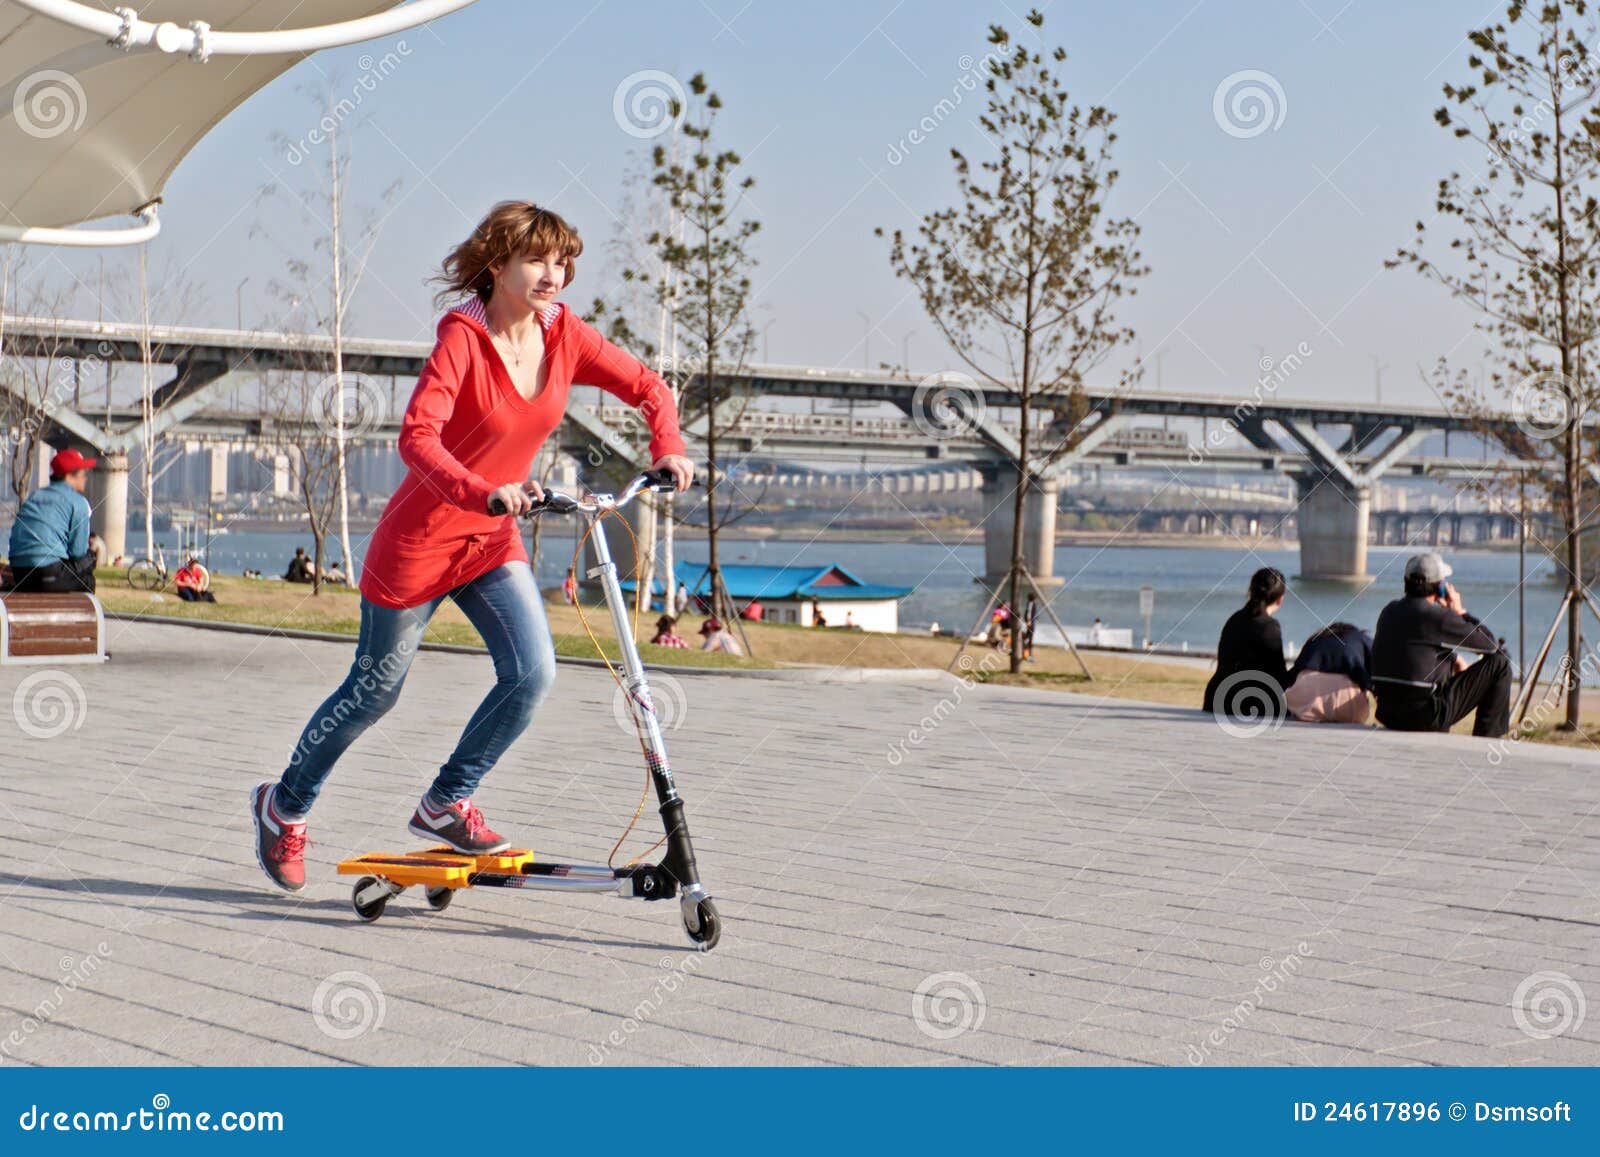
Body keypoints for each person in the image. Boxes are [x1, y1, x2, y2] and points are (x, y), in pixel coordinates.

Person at [250, 200, 694, 892]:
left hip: (490, 541)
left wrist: (667, 447)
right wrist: (479, 488)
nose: (556, 273)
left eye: (563, 260)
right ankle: (284, 805)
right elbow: (416, 436)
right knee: (374, 693)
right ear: (498, 265)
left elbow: (647, 387)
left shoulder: (564, 334)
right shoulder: (463, 339)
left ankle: (445, 803)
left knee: (533, 671)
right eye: (539, 259)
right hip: (421, 542)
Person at [1371, 552, 1511, 739]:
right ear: (1440, 587)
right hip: (1424, 717)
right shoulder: (1440, 617)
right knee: (1501, 663)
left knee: (1440, 669)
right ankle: (1486, 739)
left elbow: (1417, 650)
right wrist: (1460, 612)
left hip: (1387, 714)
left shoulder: (1389, 611)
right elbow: (1491, 646)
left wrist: (1452, 657)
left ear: (1406, 581)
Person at [6, 448, 98, 593]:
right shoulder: (78, 502)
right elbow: (77, 552)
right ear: (70, 475)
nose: (85, 478)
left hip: (19, 572)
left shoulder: (35, 496)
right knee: (87, 576)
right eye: (83, 473)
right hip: (47, 572)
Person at [1203, 566, 1289, 718]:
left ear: (1251, 591)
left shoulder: (1234, 619)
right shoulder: (1269, 627)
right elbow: (1279, 674)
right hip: (1249, 702)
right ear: (1280, 599)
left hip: (1216, 698)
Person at [1285, 622, 1371, 724]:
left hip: (1304, 701)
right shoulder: (1361, 638)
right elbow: (1376, 673)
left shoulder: (1316, 639)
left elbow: (1294, 673)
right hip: (1348, 704)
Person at [1022, 593, 1039, 661]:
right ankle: (1028, 655)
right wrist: (1029, 621)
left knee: (1028, 638)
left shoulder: (1030, 603)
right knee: (1029, 638)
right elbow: (1028, 613)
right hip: (1031, 624)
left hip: (1031, 623)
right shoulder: (1031, 603)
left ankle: (1028, 654)